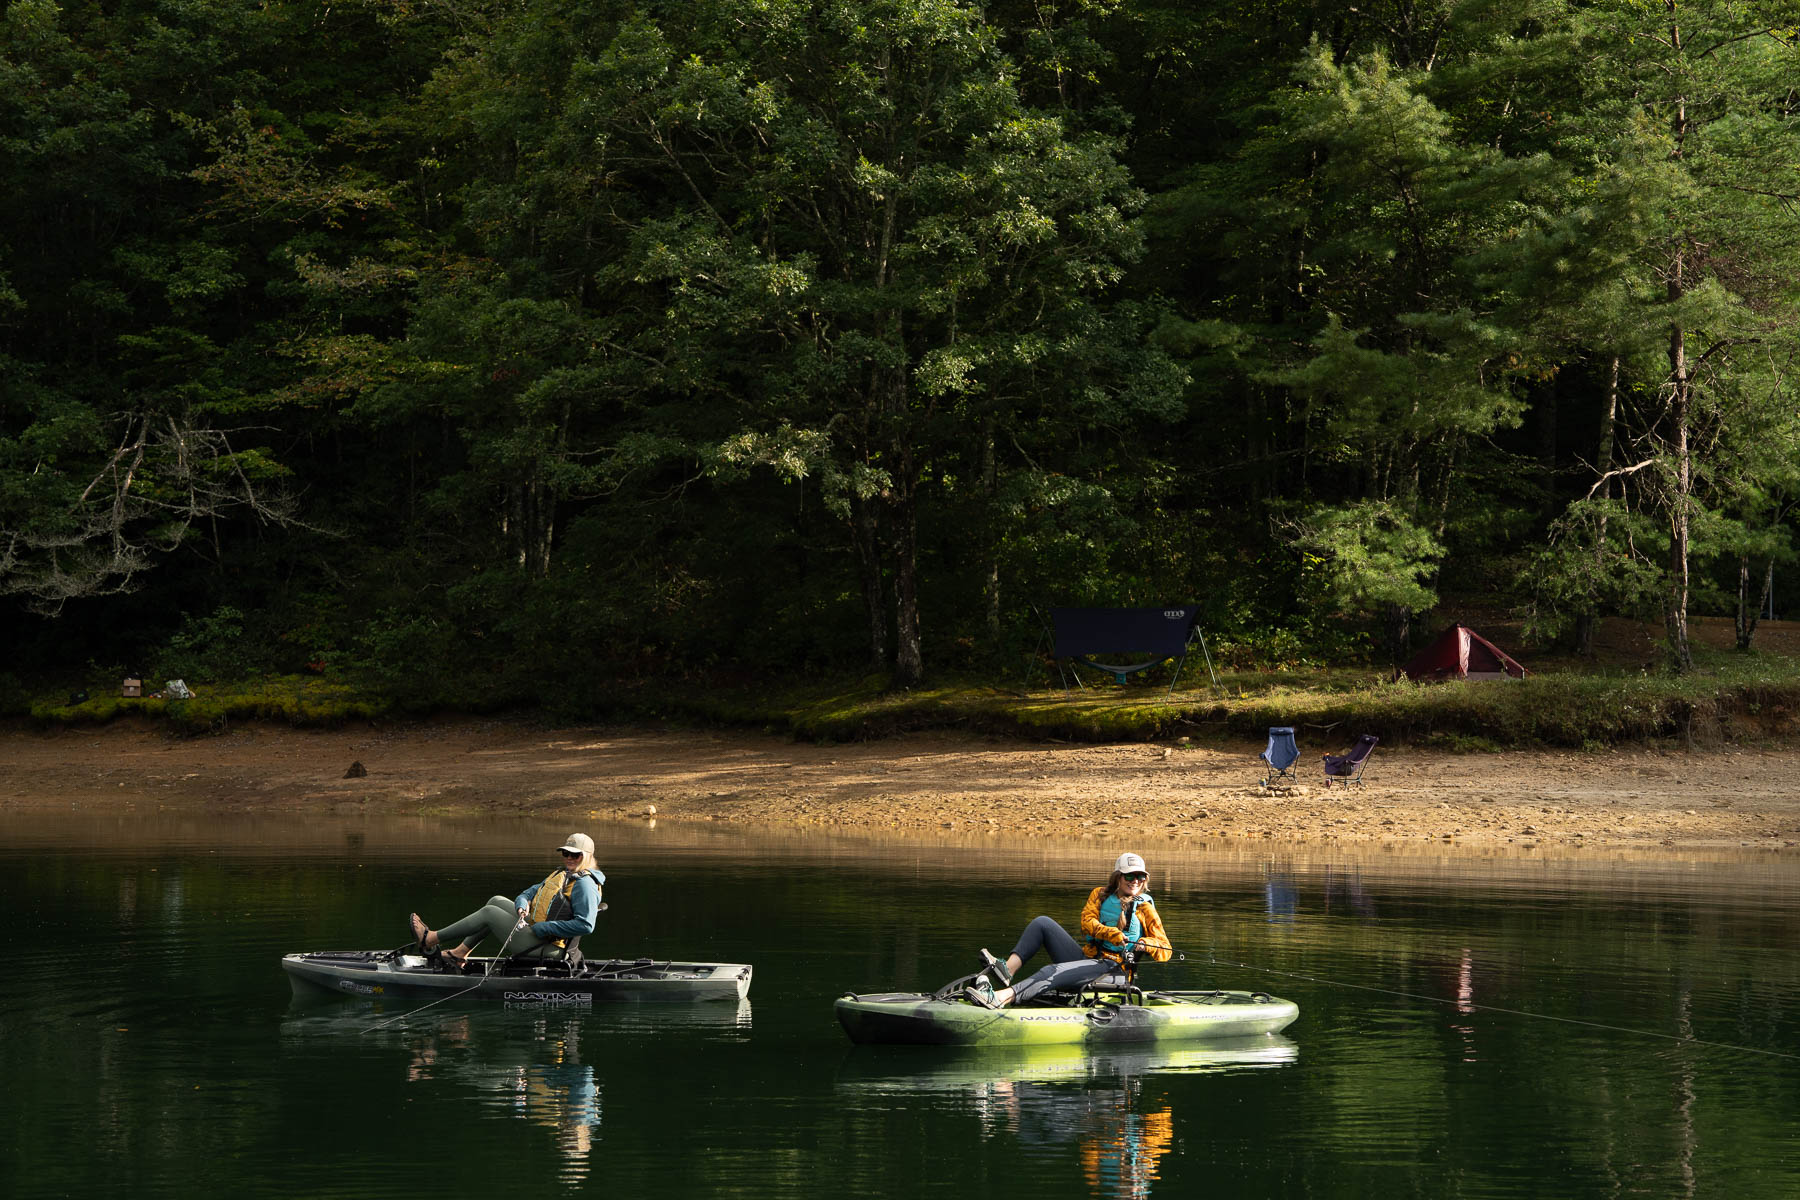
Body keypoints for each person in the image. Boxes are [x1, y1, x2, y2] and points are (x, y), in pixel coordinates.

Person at [963, 852, 1172, 1008]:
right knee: (1042, 922)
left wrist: (1145, 944)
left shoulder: (1145, 908)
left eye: (1140, 877)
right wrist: (1112, 934)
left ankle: (999, 998)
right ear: (1118, 877)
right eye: (1130, 876)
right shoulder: (1099, 895)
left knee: (1051, 971)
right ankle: (1008, 970)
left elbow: (1166, 950)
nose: (1135, 881)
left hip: (1115, 970)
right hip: (1088, 959)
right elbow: (1086, 924)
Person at [409, 833, 605, 970]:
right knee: (495, 901)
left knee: (489, 914)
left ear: (587, 856)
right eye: (565, 853)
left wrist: (544, 928)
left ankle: (431, 939)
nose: (569, 858)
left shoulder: (584, 885)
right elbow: (529, 893)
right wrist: (522, 905)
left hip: (550, 946)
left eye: (575, 855)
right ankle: (460, 953)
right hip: (537, 930)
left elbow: (586, 925)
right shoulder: (564, 874)